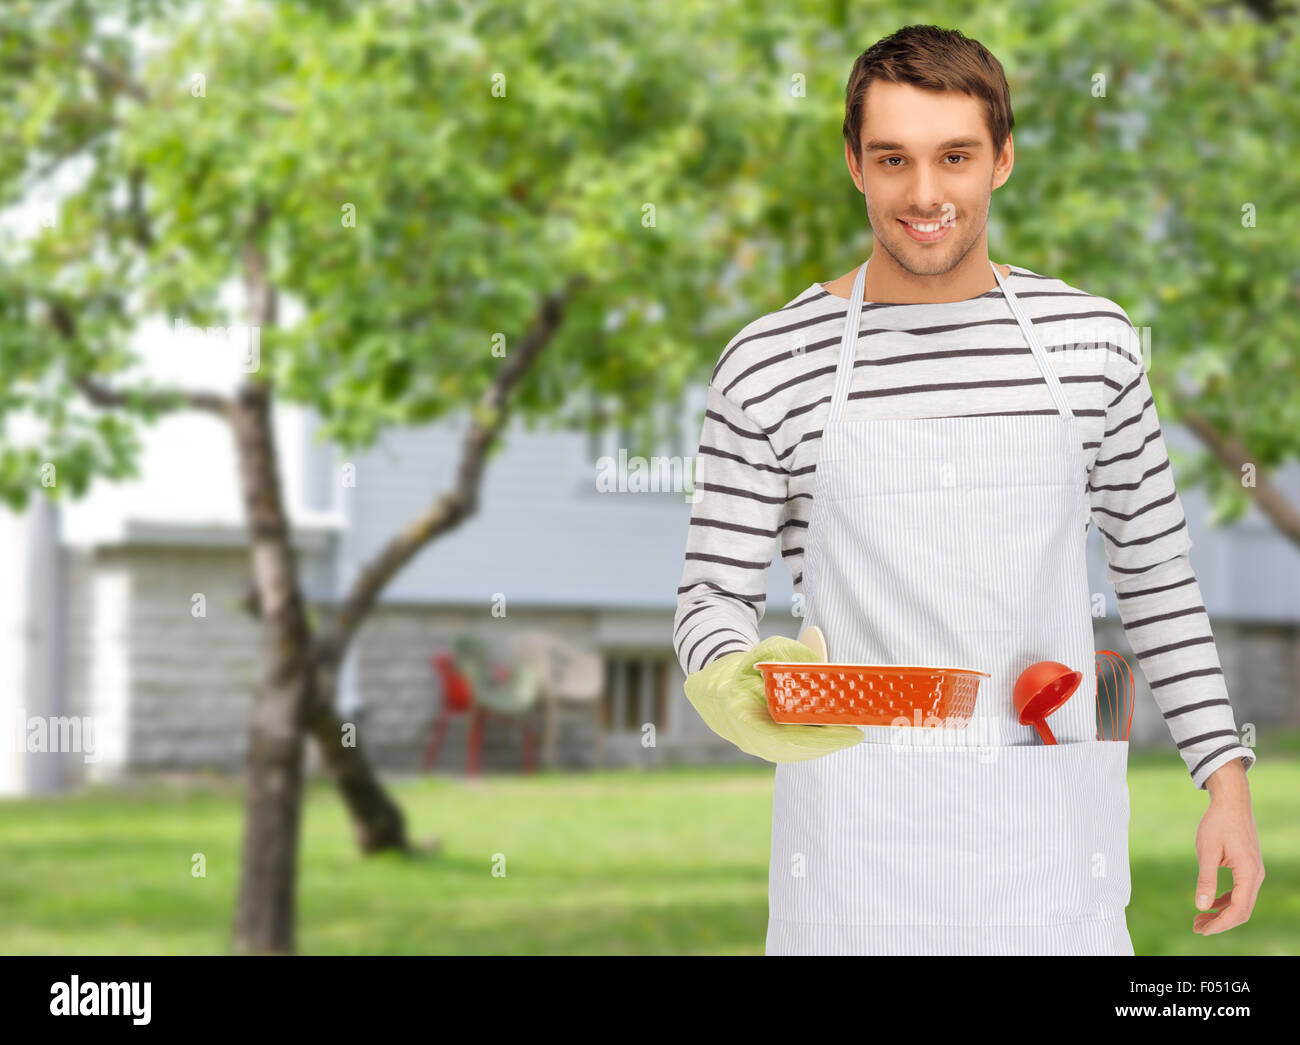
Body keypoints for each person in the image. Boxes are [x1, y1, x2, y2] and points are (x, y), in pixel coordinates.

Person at [672, 25, 1263, 956]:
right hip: (855, 858)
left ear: (1004, 158)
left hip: (1049, 852)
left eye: (956, 157)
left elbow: (1156, 578)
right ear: (854, 166)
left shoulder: (1093, 343)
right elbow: (711, 593)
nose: (925, 193)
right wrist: (733, 675)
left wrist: (1223, 778)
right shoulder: (769, 362)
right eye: (892, 158)